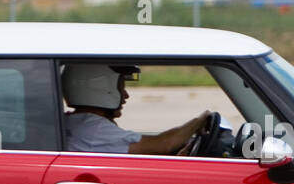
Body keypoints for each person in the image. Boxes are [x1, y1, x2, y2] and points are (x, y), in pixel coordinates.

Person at [62, 63, 212, 155]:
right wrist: (199, 120)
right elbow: (165, 144)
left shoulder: (77, 123)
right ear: (100, 87)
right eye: (121, 87)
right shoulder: (93, 130)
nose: (126, 95)